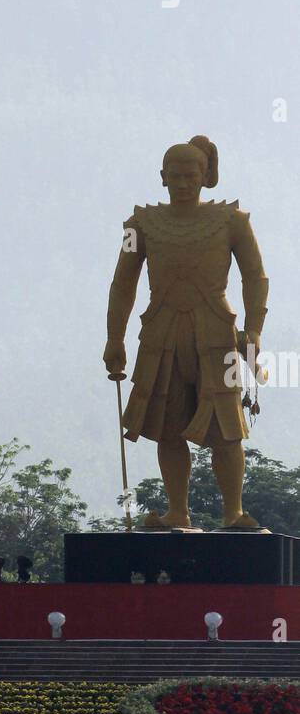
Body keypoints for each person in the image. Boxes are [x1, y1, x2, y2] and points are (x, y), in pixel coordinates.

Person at [103, 135, 268, 529]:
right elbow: (122, 283)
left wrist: (254, 331)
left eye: (190, 174)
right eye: (174, 175)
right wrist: (114, 337)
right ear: (162, 177)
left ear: (204, 175)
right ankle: (178, 510)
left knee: (228, 428)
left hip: (219, 335)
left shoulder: (232, 222)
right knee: (167, 425)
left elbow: (255, 278)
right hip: (161, 333)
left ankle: (234, 513)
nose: (182, 182)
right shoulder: (139, 226)